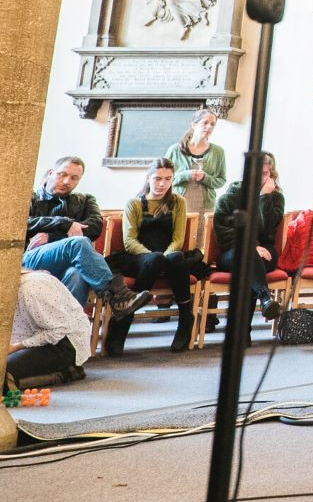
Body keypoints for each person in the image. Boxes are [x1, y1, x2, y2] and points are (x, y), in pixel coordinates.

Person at [24, 156, 149, 317]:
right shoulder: (30, 197)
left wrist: (52, 236)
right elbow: (22, 224)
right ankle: (118, 296)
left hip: (72, 262)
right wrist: (64, 223)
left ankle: (65, 333)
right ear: (50, 173)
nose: (67, 181)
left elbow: (95, 227)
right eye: (62, 174)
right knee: (78, 242)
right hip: (32, 257)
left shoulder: (85, 200)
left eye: (74, 178)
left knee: (77, 275)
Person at [102, 159, 200, 353]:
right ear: (148, 178)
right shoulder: (134, 203)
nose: (162, 184)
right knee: (155, 259)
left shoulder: (178, 202)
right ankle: (124, 318)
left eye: (167, 179)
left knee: (177, 257)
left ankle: (185, 318)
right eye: (157, 179)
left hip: (168, 257)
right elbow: (130, 241)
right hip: (139, 258)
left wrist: (164, 257)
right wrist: (156, 258)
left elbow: (178, 239)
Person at [213, 154, 286, 322]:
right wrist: (251, 246)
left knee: (249, 268)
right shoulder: (229, 198)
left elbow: (267, 228)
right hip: (232, 252)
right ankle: (265, 298)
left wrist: (263, 198)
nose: (260, 177)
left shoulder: (275, 198)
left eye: (265, 173)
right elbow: (223, 234)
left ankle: (244, 332)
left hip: (265, 252)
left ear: (271, 175)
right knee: (248, 258)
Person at [8, 272, 90, 389]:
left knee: (3, 371)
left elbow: (59, 330)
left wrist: (17, 346)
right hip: (34, 341)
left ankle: (65, 372)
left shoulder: (32, 289)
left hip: (64, 343)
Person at [166, 107, 226, 214]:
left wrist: (205, 178)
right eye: (205, 123)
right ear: (194, 125)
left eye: (212, 124)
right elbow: (163, 179)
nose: (209, 127)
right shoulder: (174, 150)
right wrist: (185, 175)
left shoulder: (218, 152)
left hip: (205, 207)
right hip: (177, 204)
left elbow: (221, 181)